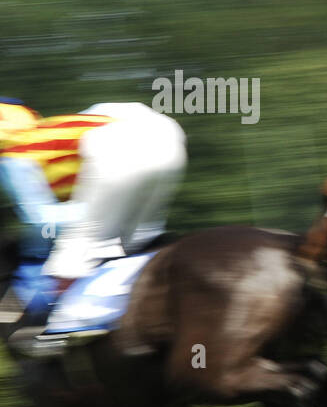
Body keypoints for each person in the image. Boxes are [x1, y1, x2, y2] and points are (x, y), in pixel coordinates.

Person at [0, 100, 187, 354]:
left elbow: (41, 219)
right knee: (134, 243)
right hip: (168, 140)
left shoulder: (11, 153)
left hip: (117, 150)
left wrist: (82, 220)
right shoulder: (48, 131)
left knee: (74, 251)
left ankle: (56, 330)